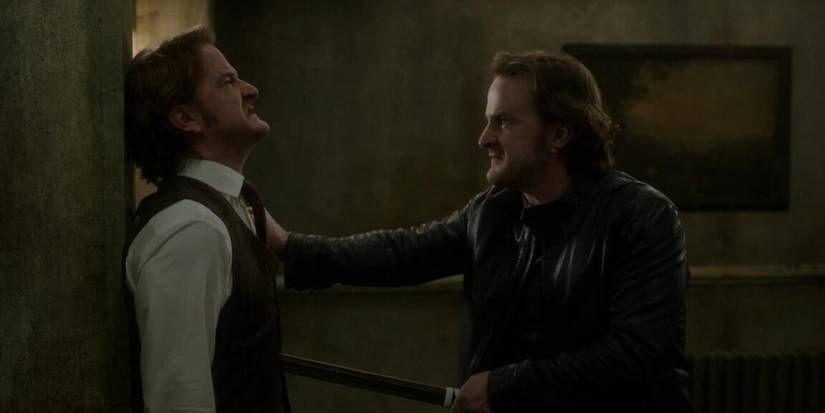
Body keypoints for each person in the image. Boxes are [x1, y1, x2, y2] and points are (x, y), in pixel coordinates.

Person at [267, 50, 691, 412]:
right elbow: (403, 252)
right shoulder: (493, 211)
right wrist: (289, 247)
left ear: (559, 133)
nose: (484, 139)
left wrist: (503, 387)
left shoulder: (641, 216)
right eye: (489, 122)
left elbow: (634, 353)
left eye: (503, 122)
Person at [123, 27, 289, 412]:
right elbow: (179, 400)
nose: (251, 90)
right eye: (228, 82)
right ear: (186, 117)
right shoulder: (192, 228)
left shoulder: (223, 210)